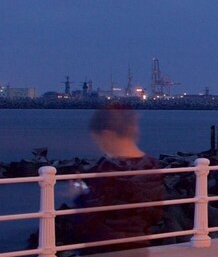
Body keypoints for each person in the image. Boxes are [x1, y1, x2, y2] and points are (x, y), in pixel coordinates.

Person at [66, 102, 165, 256]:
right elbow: (155, 214)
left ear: (107, 135)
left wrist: (79, 195)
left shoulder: (106, 171)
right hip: (139, 245)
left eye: (98, 140)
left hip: (104, 248)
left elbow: (89, 220)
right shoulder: (152, 166)